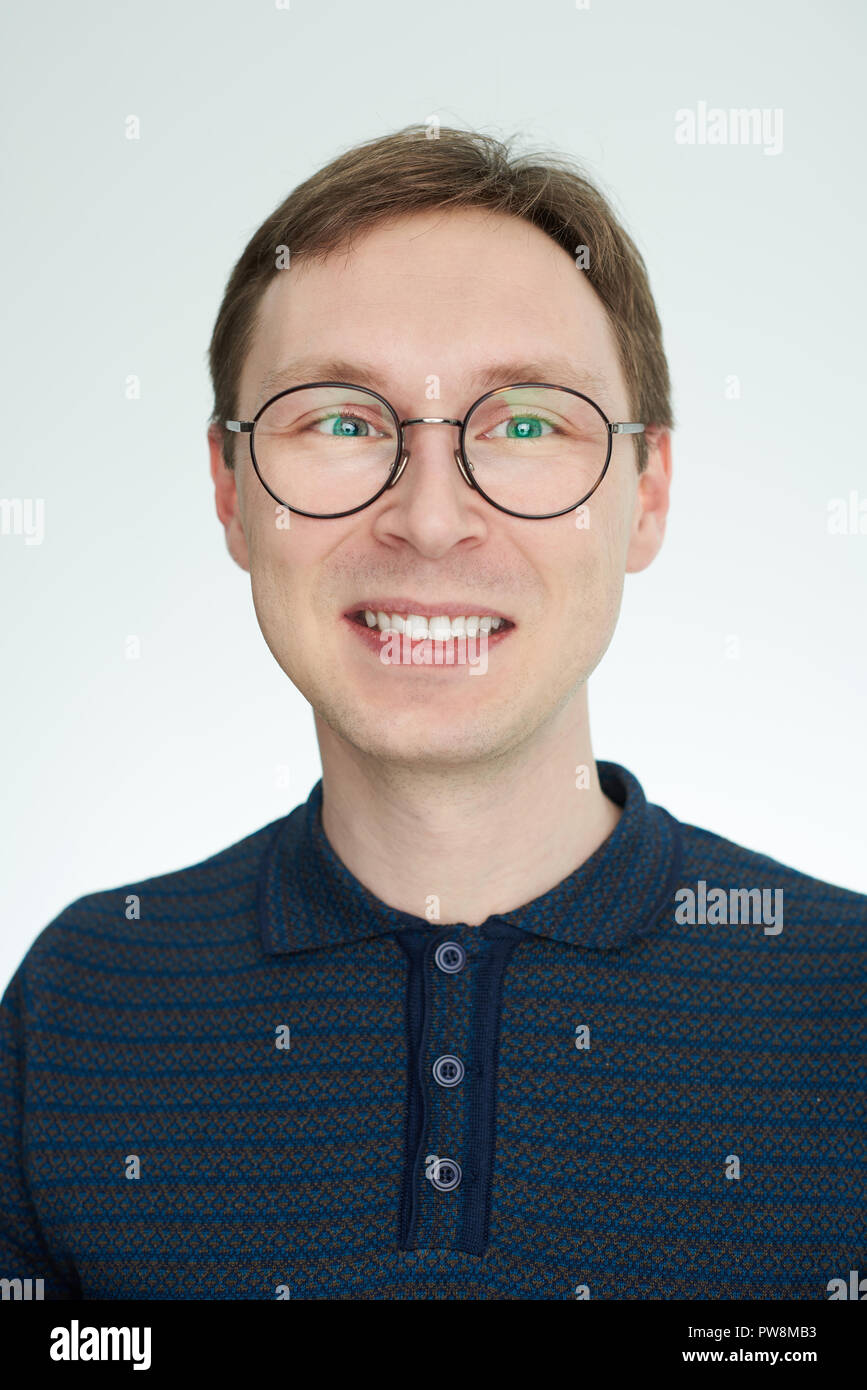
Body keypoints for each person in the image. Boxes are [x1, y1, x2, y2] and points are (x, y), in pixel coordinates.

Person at [1, 126, 864, 1302]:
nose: (431, 518)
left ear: (647, 492)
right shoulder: (78, 1006)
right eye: (344, 421)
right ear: (230, 490)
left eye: (524, 424)